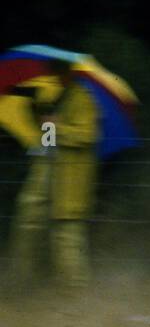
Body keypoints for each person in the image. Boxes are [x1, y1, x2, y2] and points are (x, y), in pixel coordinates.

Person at [10, 60, 100, 291]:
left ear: (69, 71)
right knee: (29, 221)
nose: (52, 73)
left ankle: (75, 295)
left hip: (69, 177)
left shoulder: (83, 97)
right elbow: (45, 136)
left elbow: (88, 135)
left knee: (67, 236)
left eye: (57, 70)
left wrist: (55, 127)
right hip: (46, 168)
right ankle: (24, 284)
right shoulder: (50, 93)